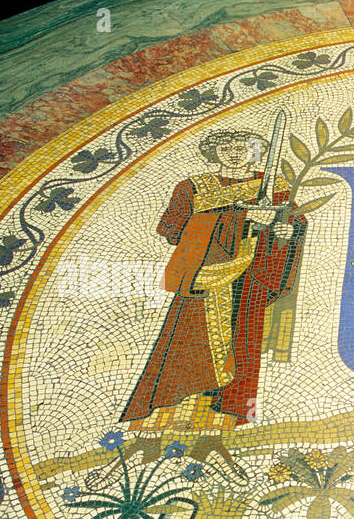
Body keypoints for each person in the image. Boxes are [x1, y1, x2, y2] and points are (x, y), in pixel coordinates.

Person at [116, 128, 306, 479]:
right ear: (213, 152)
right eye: (226, 147)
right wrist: (239, 220)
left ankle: (213, 438)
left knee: (241, 348)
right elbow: (172, 230)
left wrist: (284, 234)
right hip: (202, 279)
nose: (235, 153)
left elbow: (293, 223)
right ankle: (153, 432)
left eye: (243, 147)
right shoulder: (193, 187)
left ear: (257, 152)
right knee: (183, 349)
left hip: (250, 279)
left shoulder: (274, 186)